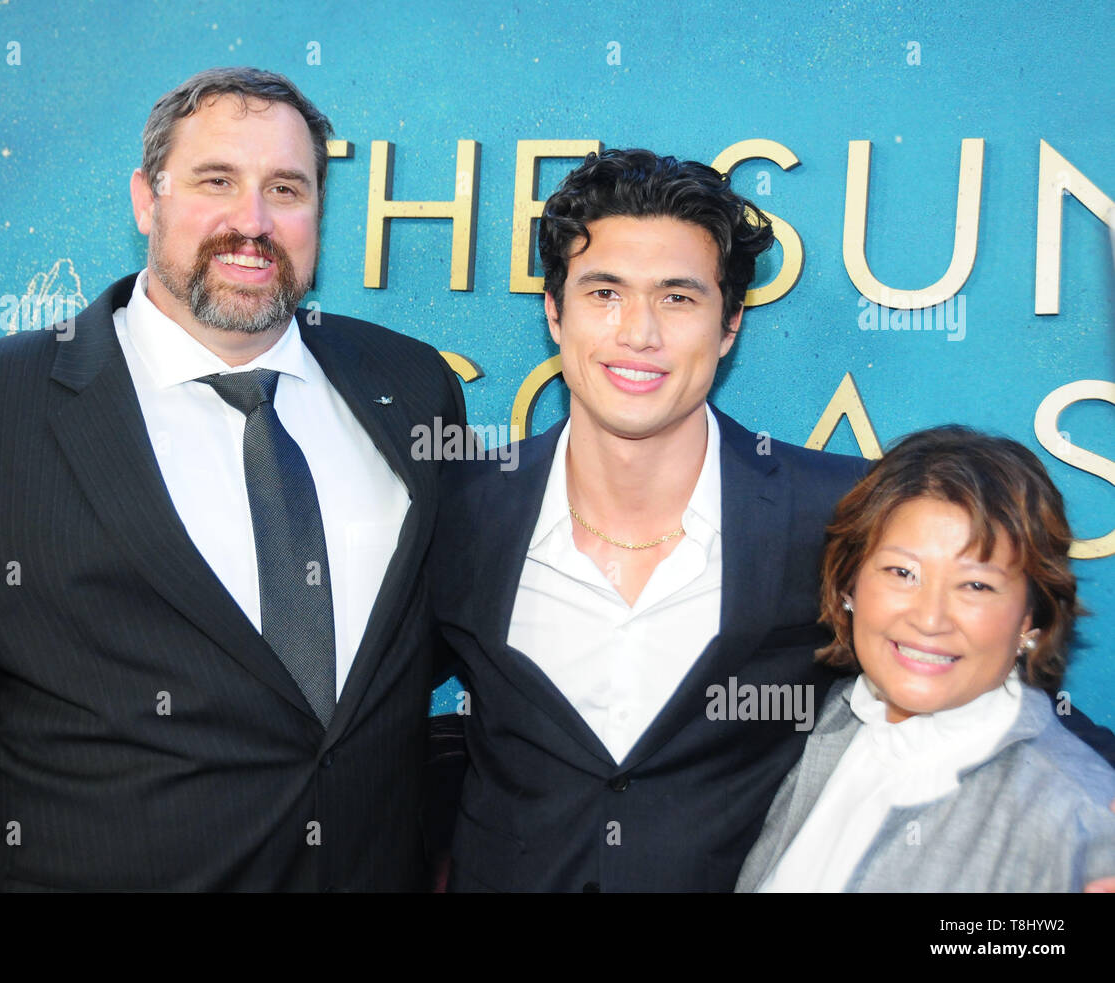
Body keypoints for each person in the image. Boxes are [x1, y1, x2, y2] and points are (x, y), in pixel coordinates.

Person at [0, 67, 464, 891]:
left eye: (286, 188)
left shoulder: (408, 388)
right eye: (216, 180)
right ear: (145, 200)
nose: (252, 222)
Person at [428, 149, 1115, 892]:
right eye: (605, 292)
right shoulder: (460, 510)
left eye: (679, 298)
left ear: (730, 327)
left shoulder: (833, 514)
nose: (639, 333)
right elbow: (365, 709)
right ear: (555, 312)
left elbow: (989, 681)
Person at [738, 427, 1115, 891]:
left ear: (1030, 619)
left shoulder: (1082, 821)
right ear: (849, 584)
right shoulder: (830, 721)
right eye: (902, 572)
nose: (930, 618)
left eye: (976, 585)